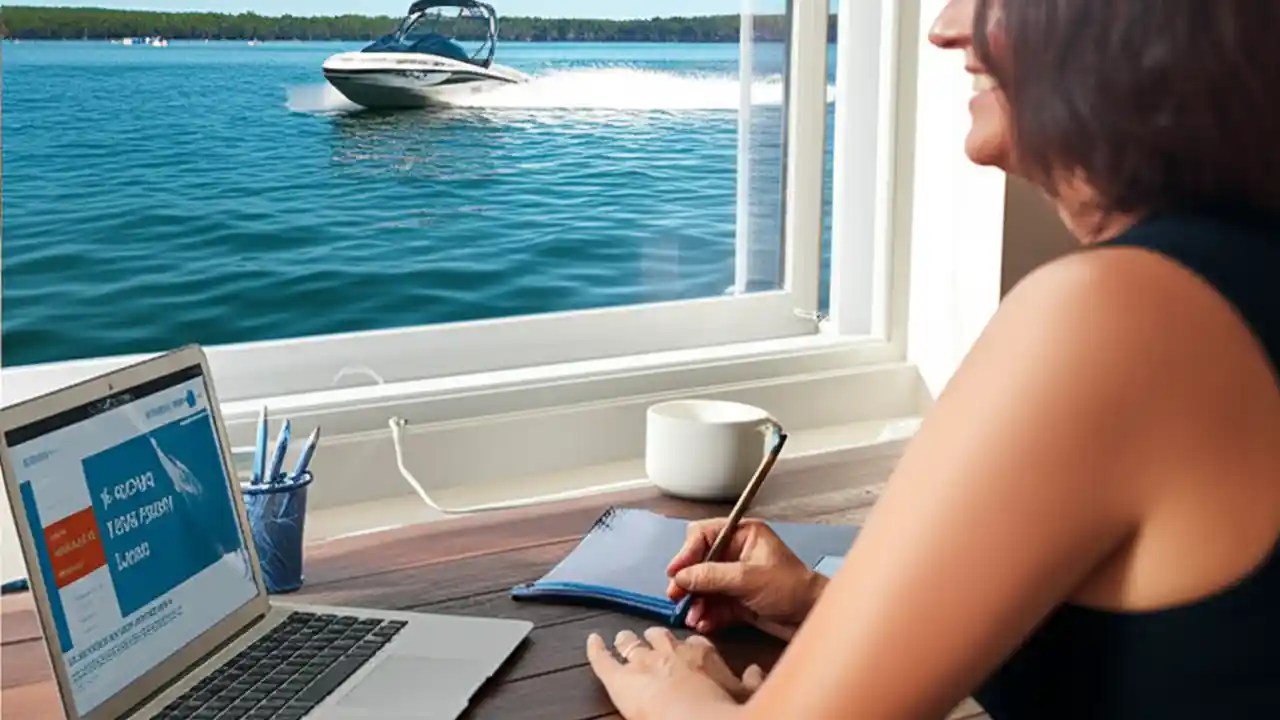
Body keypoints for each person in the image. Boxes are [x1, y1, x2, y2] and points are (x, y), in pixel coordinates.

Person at [584, 0, 1280, 717]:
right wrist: (825, 606)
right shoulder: (1238, 276)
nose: (946, 26)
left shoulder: (1119, 314)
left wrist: (673, 697)